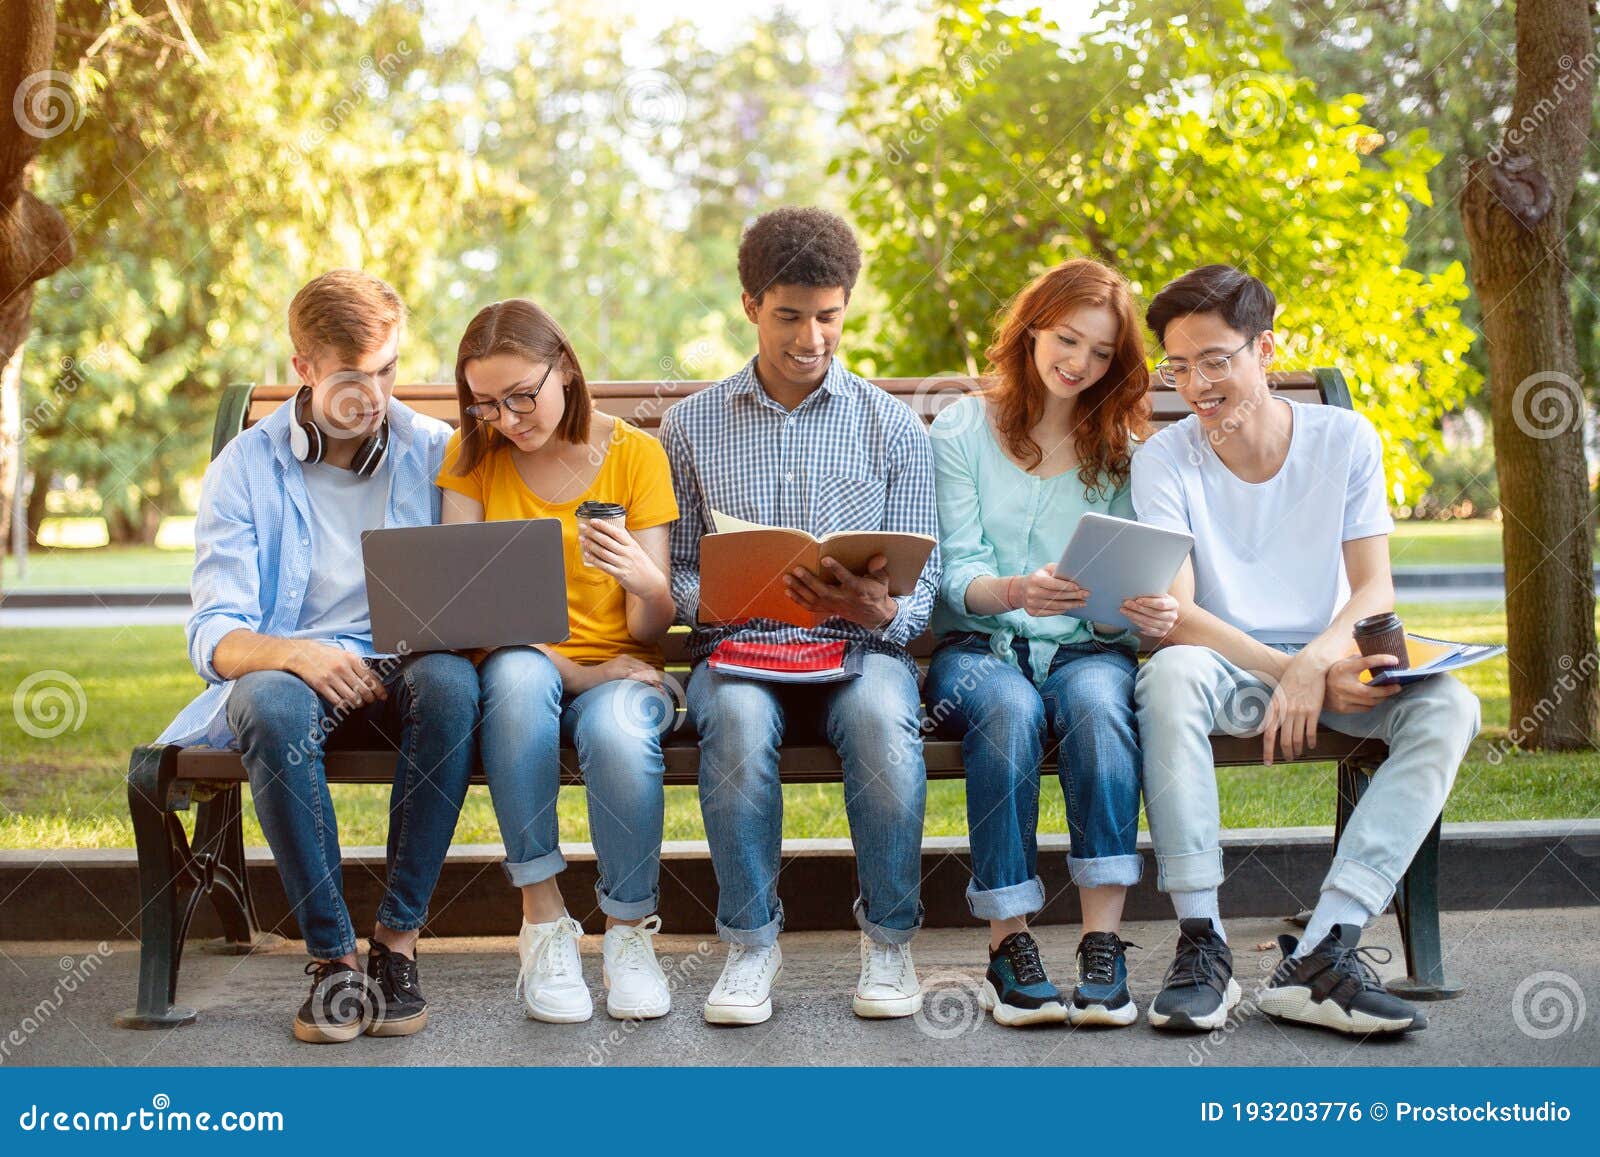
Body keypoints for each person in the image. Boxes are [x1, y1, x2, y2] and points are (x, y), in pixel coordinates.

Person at [1131, 264, 1480, 1036]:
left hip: (1330, 666)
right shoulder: (1164, 458)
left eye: (1216, 359)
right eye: (1179, 365)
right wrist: (1290, 672)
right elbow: (1178, 615)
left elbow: (1373, 589)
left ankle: (1325, 949)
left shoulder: (1344, 437)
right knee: (1169, 675)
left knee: (1451, 705)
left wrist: (1320, 663)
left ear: (1265, 348)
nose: (1196, 383)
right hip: (1233, 668)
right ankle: (1202, 941)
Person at [156, 269, 479, 1044]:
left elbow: (476, 591)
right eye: (353, 376)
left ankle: (396, 944)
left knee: (451, 681)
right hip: (289, 671)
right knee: (267, 701)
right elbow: (216, 635)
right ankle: (334, 959)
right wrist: (297, 656)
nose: (376, 394)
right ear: (302, 366)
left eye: (390, 370)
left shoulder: (435, 451)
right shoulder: (244, 466)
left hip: (406, 664)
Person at [660, 206, 941, 1026]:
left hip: (860, 651)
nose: (810, 338)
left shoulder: (891, 424)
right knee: (739, 725)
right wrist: (714, 596)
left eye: (828, 316)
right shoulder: (692, 425)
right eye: (789, 316)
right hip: (741, 653)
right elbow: (674, 565)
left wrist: (878, 605)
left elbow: (927, 583)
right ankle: (750, 945)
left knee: (888, 719)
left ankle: (889, 940)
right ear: (750, 305)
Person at [924, 258, 1177, 1028]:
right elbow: (951, 574)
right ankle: (1010, 944)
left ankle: (1103, 947)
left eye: (1102, 353)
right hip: (980, 646)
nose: (1081, 364)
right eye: (1069, 339)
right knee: (1005, 709)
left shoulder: (1119, 447)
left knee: (1102, 706)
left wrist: (1127, 613)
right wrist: (1013, 592)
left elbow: (1120, 595)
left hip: (1082, 647)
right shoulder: (965, 426)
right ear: (1033, 326)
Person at [438, 299, 680, 1023]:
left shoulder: (636, 455)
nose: (509, 419)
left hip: (627, 670)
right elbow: (466, 614)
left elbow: (652, 632)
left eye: (522, 395)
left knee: (618, 730)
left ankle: (629, 932)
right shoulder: (473, 456)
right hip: (525, 666)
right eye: (486, 403)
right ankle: (543, 922)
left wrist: (645, 581)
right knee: (514, 673)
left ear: (565, 370)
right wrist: (577, 671)